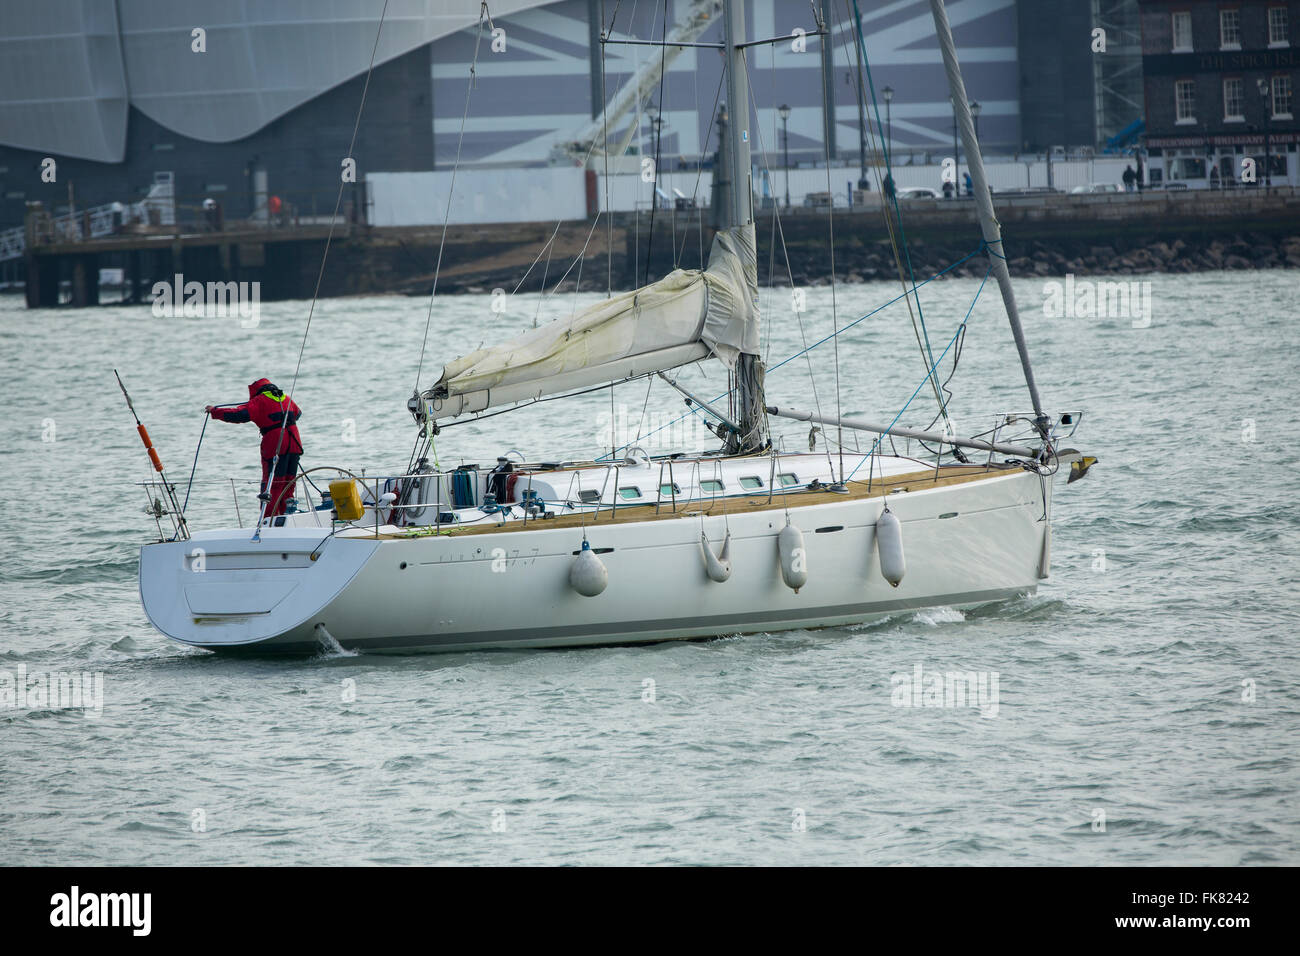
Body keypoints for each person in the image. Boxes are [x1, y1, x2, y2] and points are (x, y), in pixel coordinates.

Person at [206, 379, 304, 518]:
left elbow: (239, 414)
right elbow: (298, 414)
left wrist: (215, 411)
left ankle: (269, 519)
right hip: (294, 443)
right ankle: (287, 514)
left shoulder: (259, 400)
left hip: (275, 444)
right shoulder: (285, 397)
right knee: (288, 482)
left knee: (272, 485)